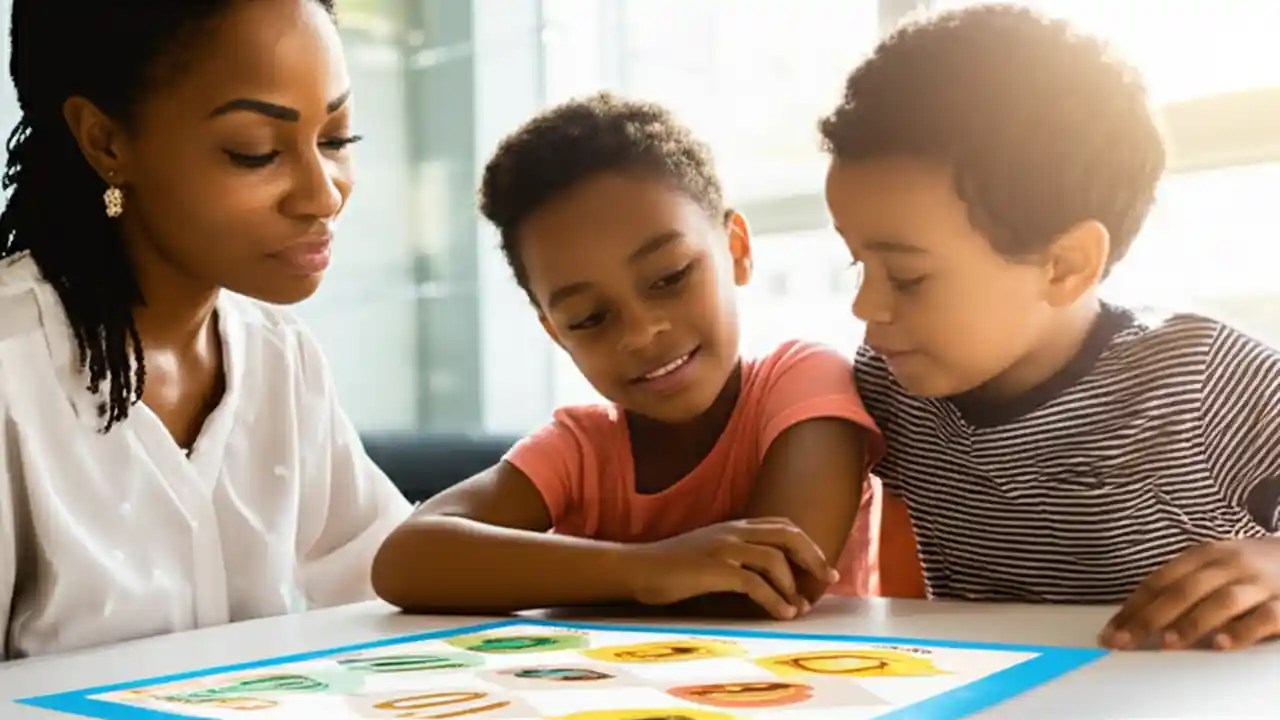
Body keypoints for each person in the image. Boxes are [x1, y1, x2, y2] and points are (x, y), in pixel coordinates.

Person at [820, 3, 1280, 650]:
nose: (865, 308)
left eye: (907, 277)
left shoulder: (1197, 380)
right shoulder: (893, 390)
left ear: (1064, 266)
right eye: (855, 261)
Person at [373, 93, 900, 620]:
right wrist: (649, 569)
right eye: (588, 318)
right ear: (556, 333)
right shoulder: (580, 450)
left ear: (736, 249)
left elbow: (773, 581)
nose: (642, 333)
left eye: (670, 277)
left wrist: (597, 577)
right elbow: (403, 560)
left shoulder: (804, 381)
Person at [0, 0, 410, 660]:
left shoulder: (282, 356)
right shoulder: (12, 367)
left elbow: (389, 583)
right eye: (256, 151)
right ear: (106, 142)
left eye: (336, 139)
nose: (323, 194)